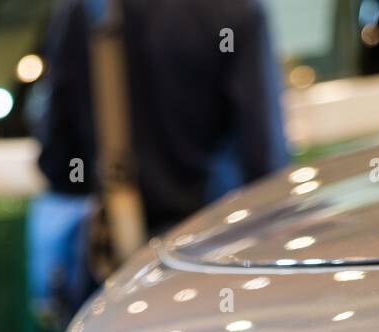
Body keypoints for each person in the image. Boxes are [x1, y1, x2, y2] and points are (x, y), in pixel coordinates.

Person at [37, 0, 289, 238]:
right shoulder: (236, 9)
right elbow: (264, 160)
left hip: (123, 256)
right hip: (213, 244)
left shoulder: (81, 12)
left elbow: (58, 161)